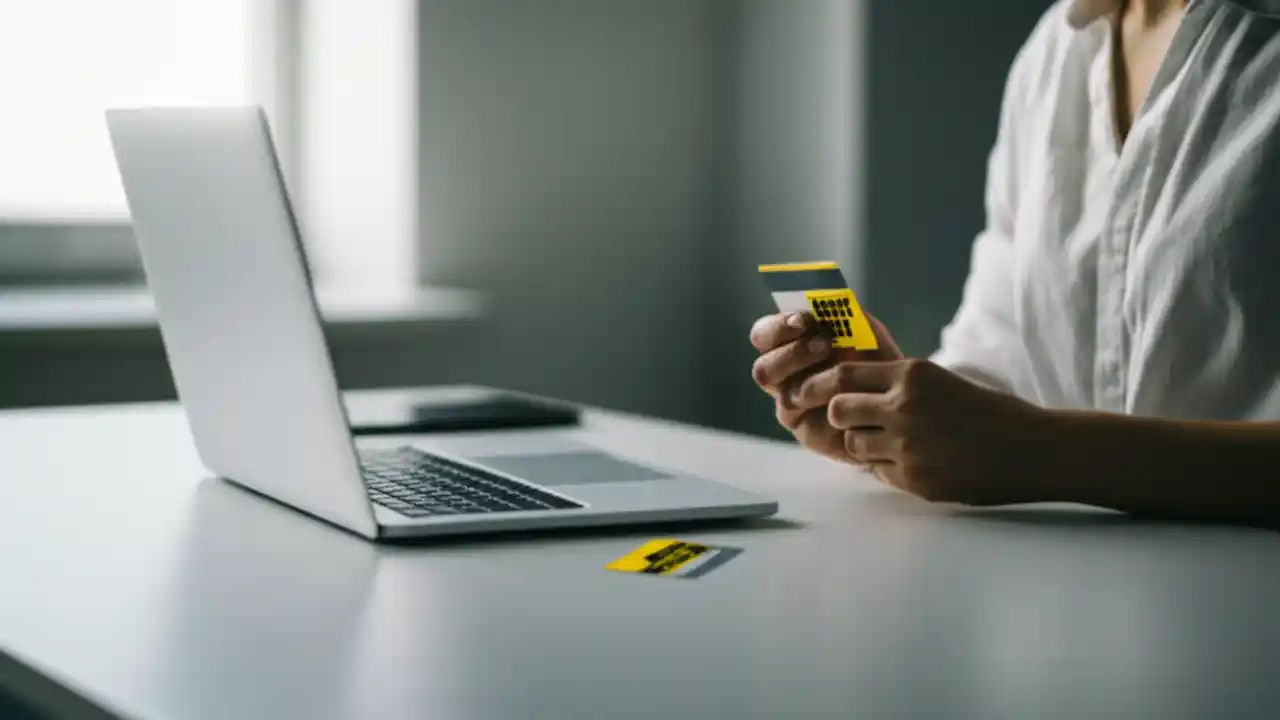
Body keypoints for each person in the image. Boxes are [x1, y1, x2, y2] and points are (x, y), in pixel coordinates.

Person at [749, 0, 1280, 522]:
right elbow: (1000, 362)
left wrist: (1046, 453)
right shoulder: (1055, 49)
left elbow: (1023, 444)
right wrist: (887, 419)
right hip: (1065, 575)